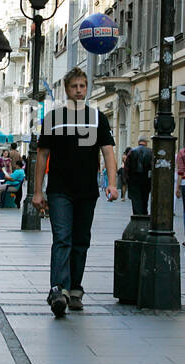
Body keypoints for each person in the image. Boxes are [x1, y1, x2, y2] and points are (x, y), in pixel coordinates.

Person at [34, 67, 117, 317]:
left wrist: (112, 184)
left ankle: (75, 289)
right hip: (59, 189)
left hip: (87, 190)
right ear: (66, 89)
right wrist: (37, 191)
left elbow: (108, 151)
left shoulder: (96, 117)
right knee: (62, 238)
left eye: (82, 86)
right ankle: (58, 289)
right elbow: (42, 155)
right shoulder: (53, 117)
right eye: (74, 86)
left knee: (81, 241)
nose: (79, 90)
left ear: (87, 88)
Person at [125, 136, 153, 216]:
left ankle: (137, 215)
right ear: (146, 142)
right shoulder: (150, 152)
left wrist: (127, 180)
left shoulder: (132, 151)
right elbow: (153, 167)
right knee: (145, 198)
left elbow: (127, 167)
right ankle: (144, 214)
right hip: (146, 179)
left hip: (134, 180)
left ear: (138, 142)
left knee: (136, 199)